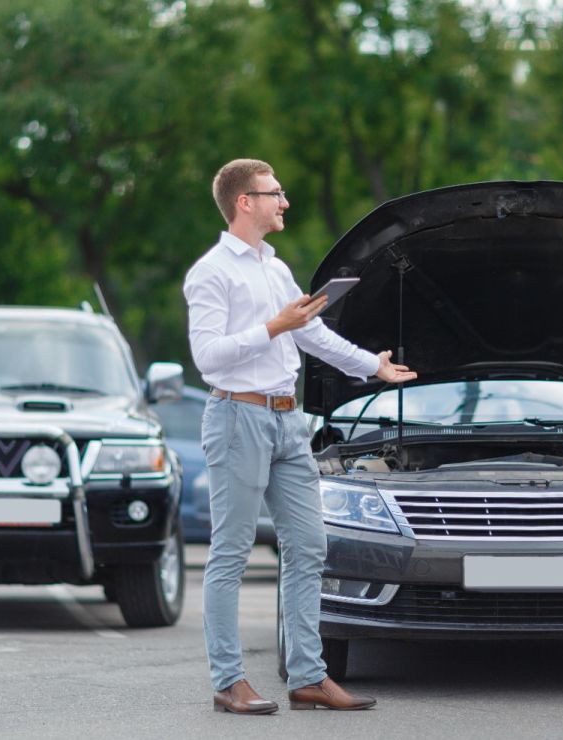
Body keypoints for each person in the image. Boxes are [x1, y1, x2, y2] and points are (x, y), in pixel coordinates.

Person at [183, 158, 416, 715]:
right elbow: (208, 358)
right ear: (245, 202)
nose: (284, 202)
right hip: (239, 417)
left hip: (290, 421)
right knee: (232, 553)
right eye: (274, 193)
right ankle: (228, 680)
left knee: (310, 546)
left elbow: (311, 334)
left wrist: (371, 366)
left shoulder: (274, 267)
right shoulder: (210, 271)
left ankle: (309, 677)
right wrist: (273, 327)